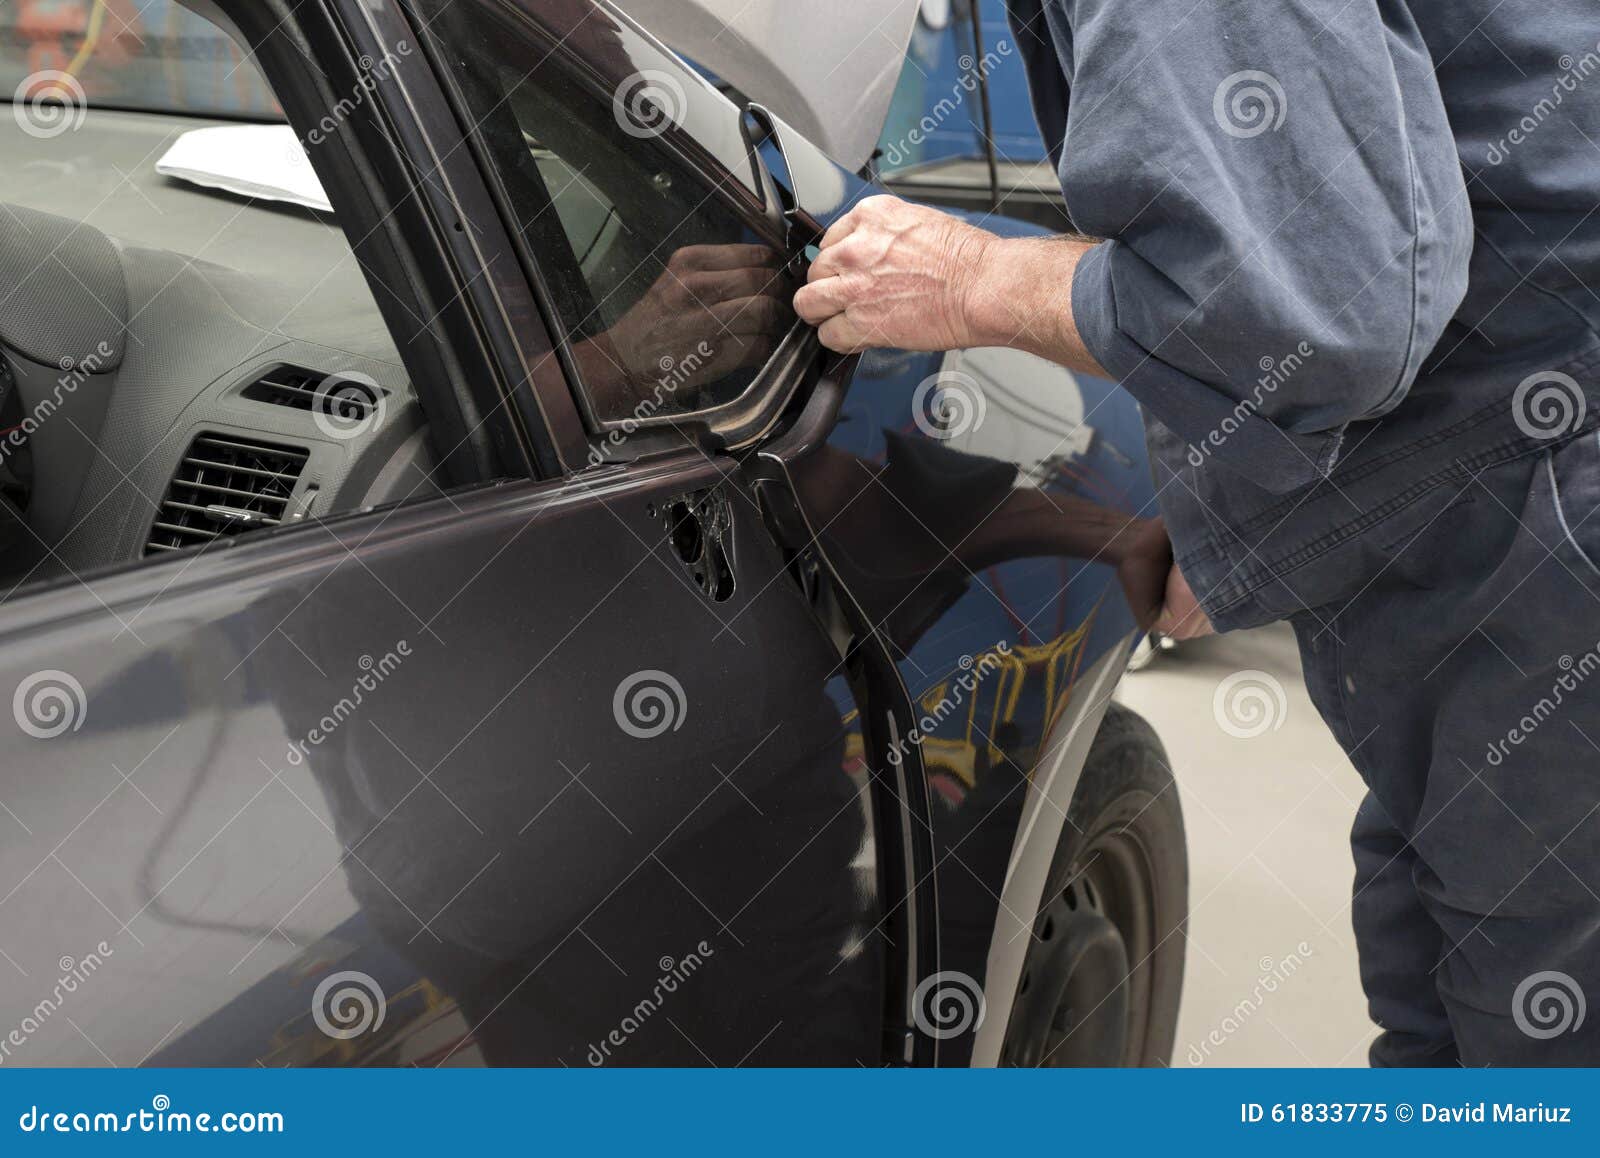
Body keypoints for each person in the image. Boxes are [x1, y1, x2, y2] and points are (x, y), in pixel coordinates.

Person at [794, 0, 1600, 1066]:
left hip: (1542, 527)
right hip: (1503, 505)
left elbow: (1318, 309)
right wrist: (1257, 510)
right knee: (1458, 1013)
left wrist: (980, 280)